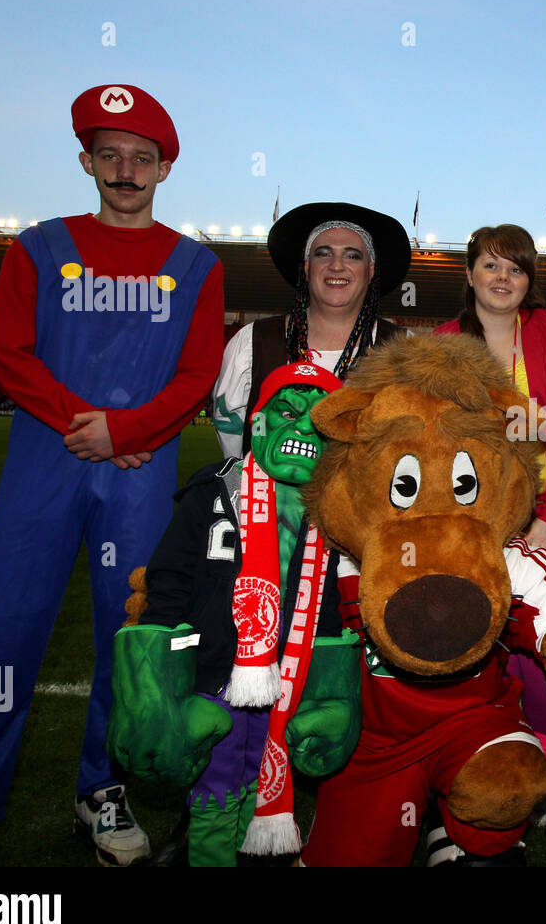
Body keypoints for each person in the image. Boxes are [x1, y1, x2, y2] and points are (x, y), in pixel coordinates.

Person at [0, 84, 225, 867]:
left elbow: (197, 374)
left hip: (140, 467)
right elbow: (9, 353)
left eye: (142, 158)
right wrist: (87, 426)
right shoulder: (39, 247)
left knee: (131, 641)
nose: (126, 170)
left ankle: (101, 792)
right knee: (3, 637)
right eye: (111, 155)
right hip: (44, 465)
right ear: (86, 160)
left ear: (165, 168)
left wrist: (126, 429)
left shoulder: (196, 264)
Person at [108, 363, 361, 866]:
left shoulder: (332, 516)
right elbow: (170, 579)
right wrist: (160, 685)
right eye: (287, 414)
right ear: (257, 422)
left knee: (257, 787)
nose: (301, 431)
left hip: (285, 685)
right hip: (214, 679)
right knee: (216, 798)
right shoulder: (215, 491)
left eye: (318, 424)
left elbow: (330, 611)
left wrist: (332, 692)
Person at [434, 225, 546, 767]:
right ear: (469, 273)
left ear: (529, 281)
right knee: (482, 646)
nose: (503, 278)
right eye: (491, 266)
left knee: (544, 649)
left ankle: (544, 759)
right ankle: (487, 759)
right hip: (473, 524)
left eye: (515, 268)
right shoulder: (445, 343)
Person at [212, 202, 411, 462]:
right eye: (323, 254)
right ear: (306, 266)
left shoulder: (402, 349)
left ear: (370, 270)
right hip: (268, 499)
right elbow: (233, 441)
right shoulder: (254, 342)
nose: (337, 265)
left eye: (352, 255)